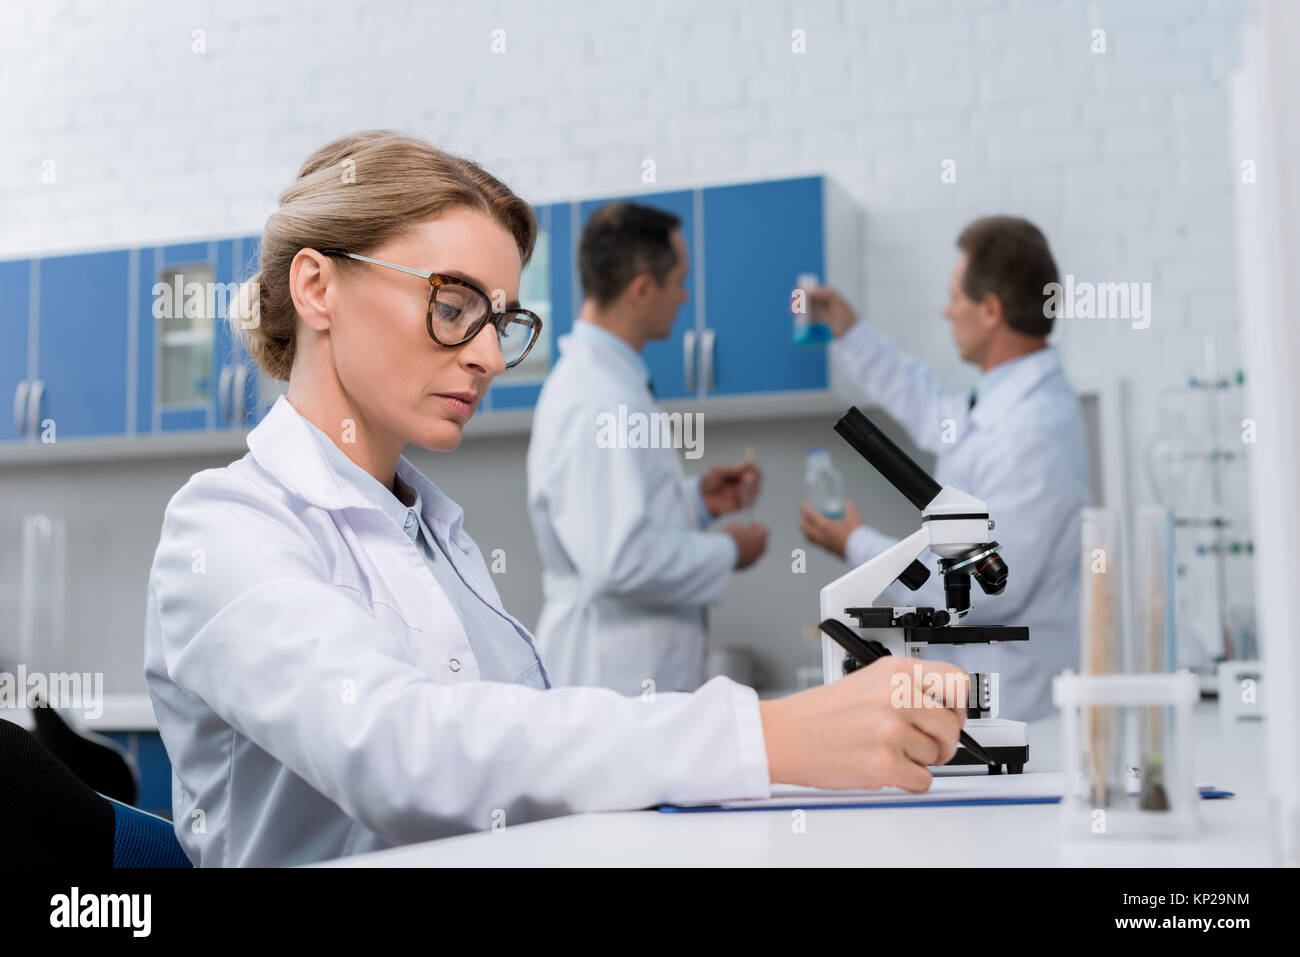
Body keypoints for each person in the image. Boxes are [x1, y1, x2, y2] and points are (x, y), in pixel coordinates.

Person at [143, 130, 970, 867]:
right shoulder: (224, 527)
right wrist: (768, 733)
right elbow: (405, 753)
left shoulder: (430, 532)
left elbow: (510, 758)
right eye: (454, 304)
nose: (491, 359)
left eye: (500, 320)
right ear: (318, 287)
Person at [799, 216, 1090, 721]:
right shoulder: (1001, 403)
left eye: (956, 297)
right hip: (980, 699)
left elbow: (982, 586)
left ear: (992, 310)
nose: (946, 310)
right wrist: (848, 331)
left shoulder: (1033, 431)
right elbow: (923, 403)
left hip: (1015, 708)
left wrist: (857, 543)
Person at [527, 201, 767, 695]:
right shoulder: (599, 398)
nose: (684, 296)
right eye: (679, 280)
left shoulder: (610, 385)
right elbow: (619, 561)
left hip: (630, 671)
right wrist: (730, 550)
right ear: (641, 290)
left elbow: (616, 520)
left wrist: (696, 501)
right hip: (611, 675)